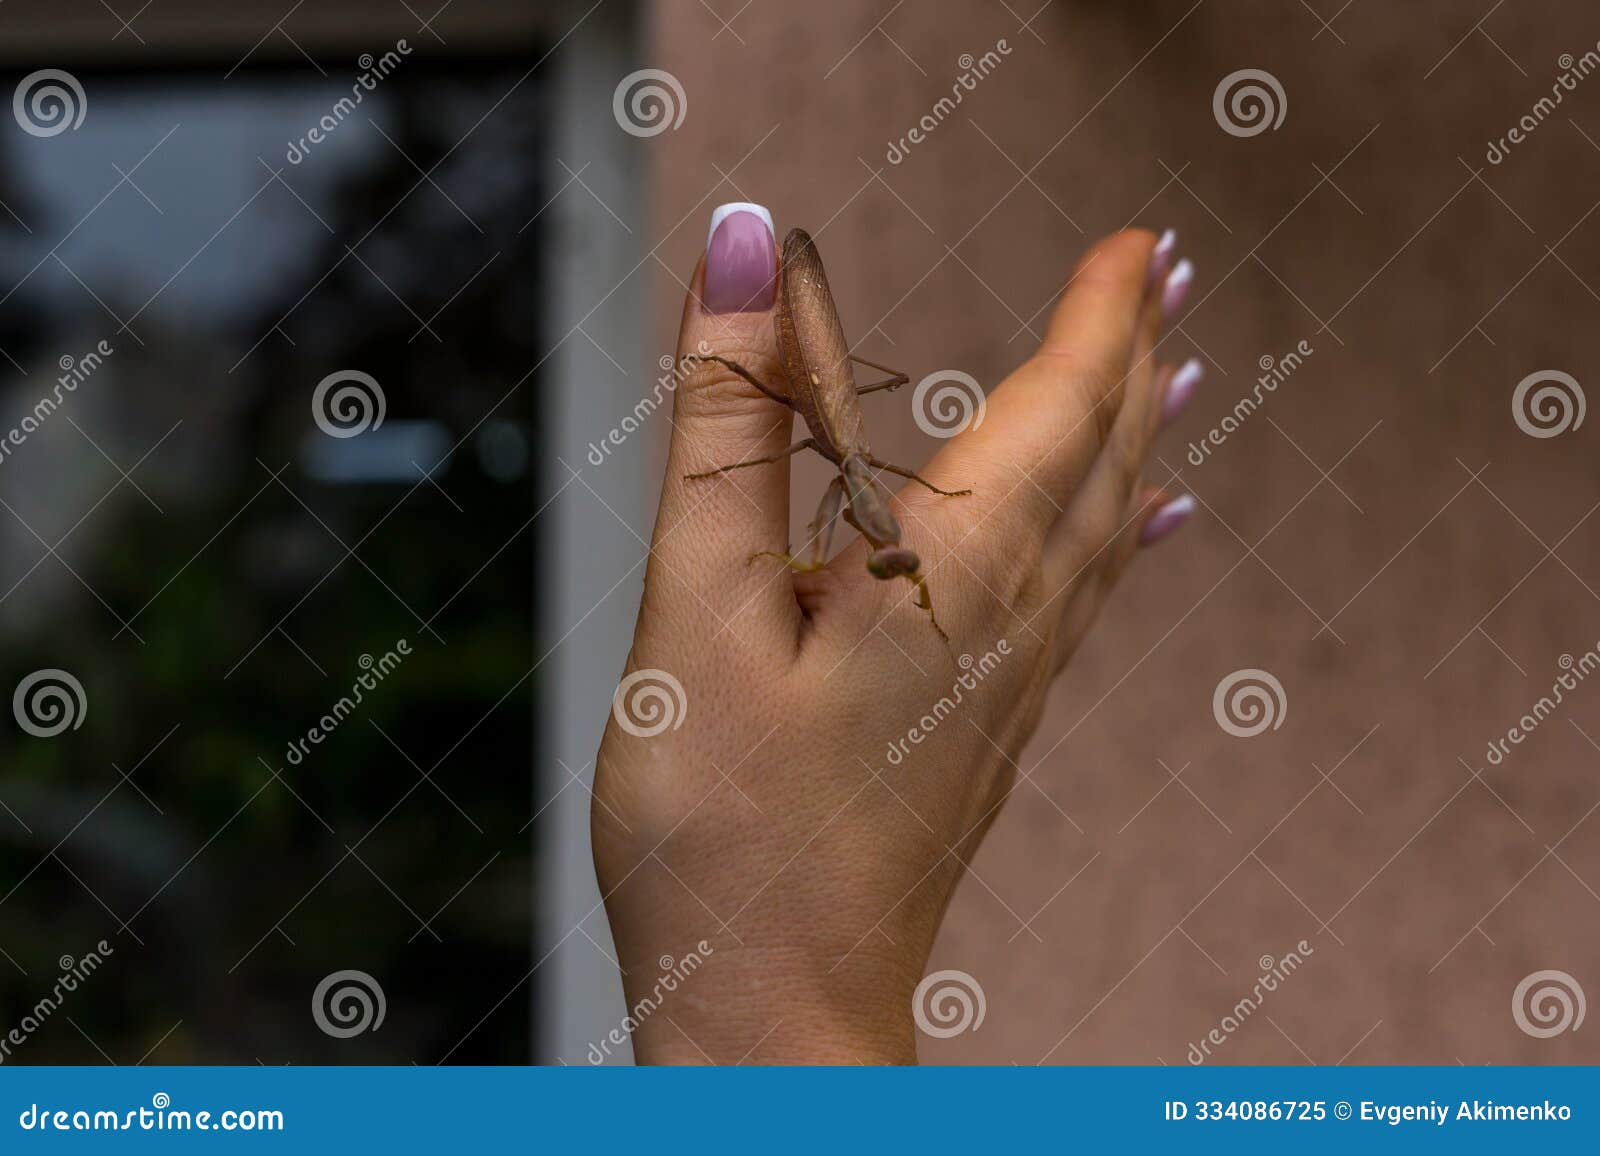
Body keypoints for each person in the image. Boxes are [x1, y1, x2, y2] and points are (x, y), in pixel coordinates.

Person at [592, 203, 1199, 1063]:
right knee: (789, 412)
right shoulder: (857, 473)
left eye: (890, 555)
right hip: (833, 410)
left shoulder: (865, 490)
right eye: (895, 555)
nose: (886, 547)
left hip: (841, 429)